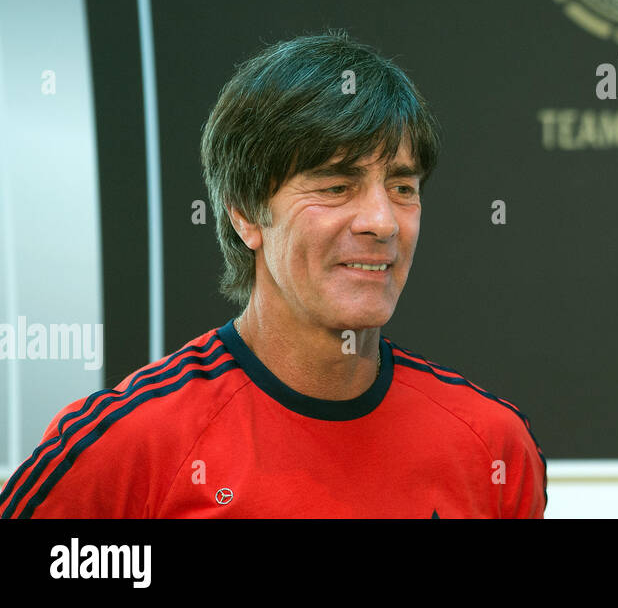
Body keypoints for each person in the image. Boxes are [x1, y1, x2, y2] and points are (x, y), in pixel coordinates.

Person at [0, 31, 546, 518]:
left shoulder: (491, 446)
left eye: (403, 188)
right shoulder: (129, 446)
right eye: (336, 186)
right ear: (245, 214)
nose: (382, 222)